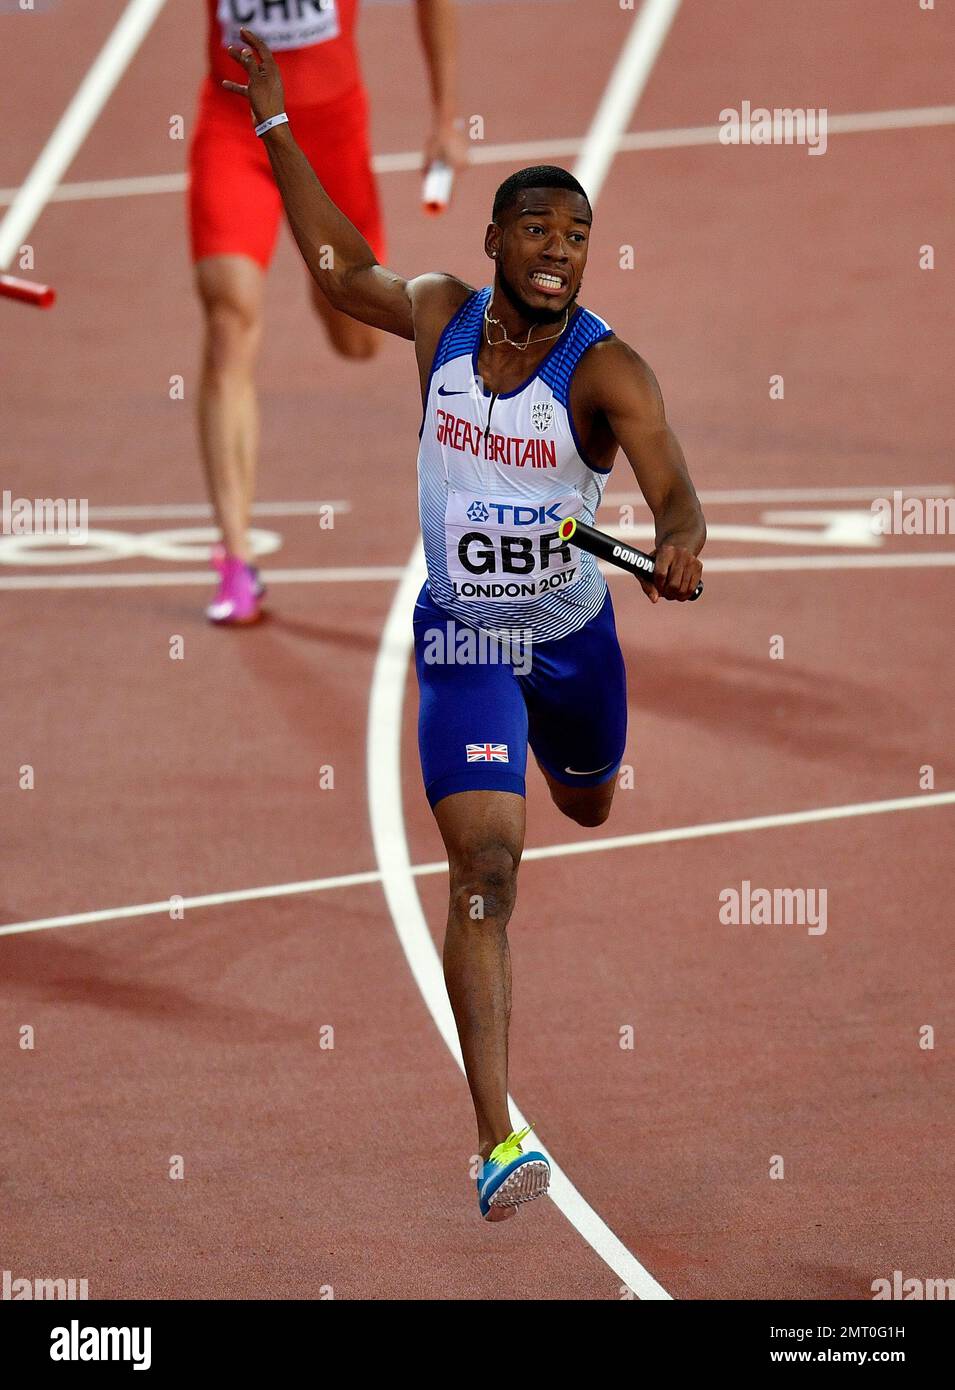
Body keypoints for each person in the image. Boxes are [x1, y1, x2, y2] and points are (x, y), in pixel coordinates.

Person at [224, 29, 706, 1219]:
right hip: (465, 640)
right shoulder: (441, 317)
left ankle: (572, 759)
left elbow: (673, 487)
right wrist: (277, 127)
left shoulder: (608, 373)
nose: (559, 249)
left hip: (574, 638)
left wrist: (682, 538)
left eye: (578, 235)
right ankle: (498, 1139)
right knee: (485, 865)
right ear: (493, 242)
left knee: (589, 798)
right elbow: (340, 274)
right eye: (537, 230)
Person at [191, 0, 466, 623]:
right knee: (228, 318)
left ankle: (322, 284)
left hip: (327, 134)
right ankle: (235, 560)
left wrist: (444, 115)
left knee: (358, 334)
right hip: (236, 124)